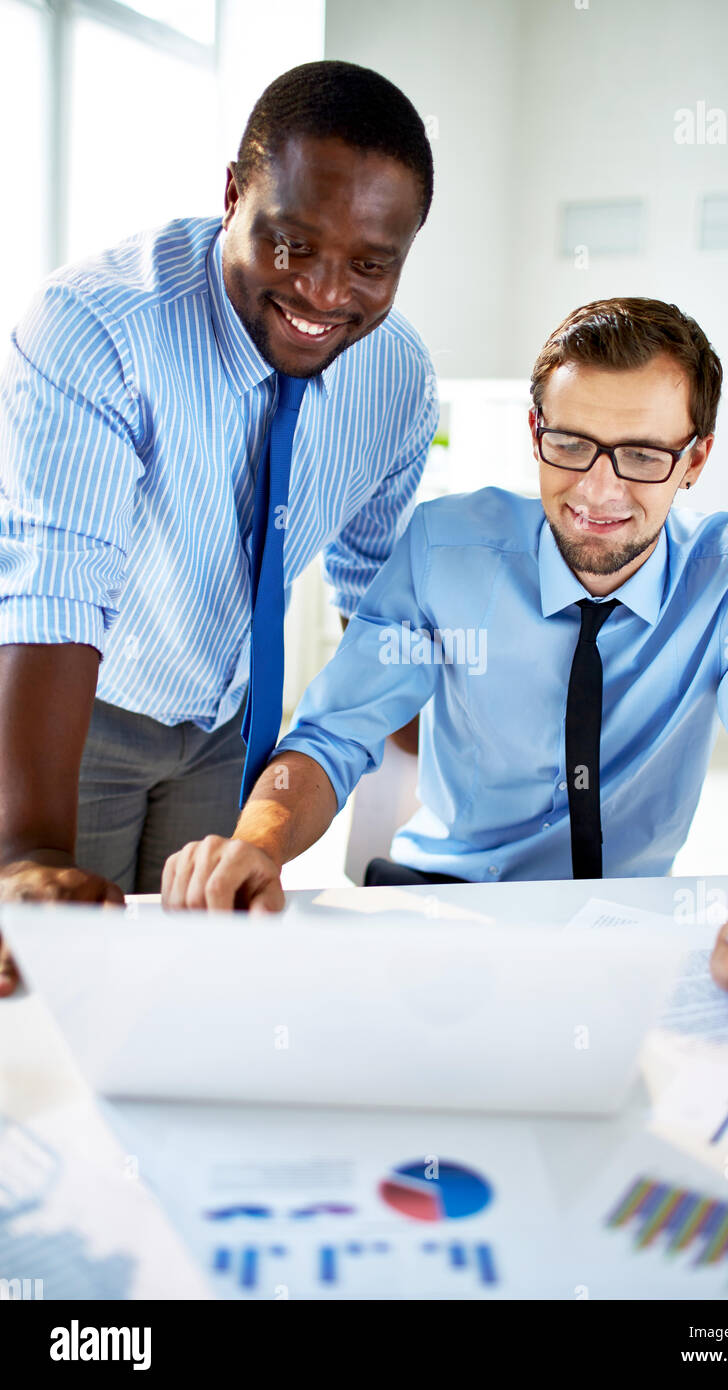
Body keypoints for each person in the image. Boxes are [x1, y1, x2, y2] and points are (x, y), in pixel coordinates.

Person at [162, 297, 728, 1042]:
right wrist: (258, 845)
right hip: (446, 907)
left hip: (624, 928)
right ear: (534, 433)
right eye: (571, 444)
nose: (598, 490)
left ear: (695, 461)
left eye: (644, 456)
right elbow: (329, 737)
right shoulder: (445, 549)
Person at [0, 61, 436, 992]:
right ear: (233, 195)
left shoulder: (398, 378)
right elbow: (54, 584)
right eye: (291, 245)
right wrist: (22, 855)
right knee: (52, 973)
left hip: (231, 726)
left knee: (187, 988)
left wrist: (439, 775)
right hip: (81, 712)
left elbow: (379, 597)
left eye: (370, 264)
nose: (324, 293)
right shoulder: (99, 324)